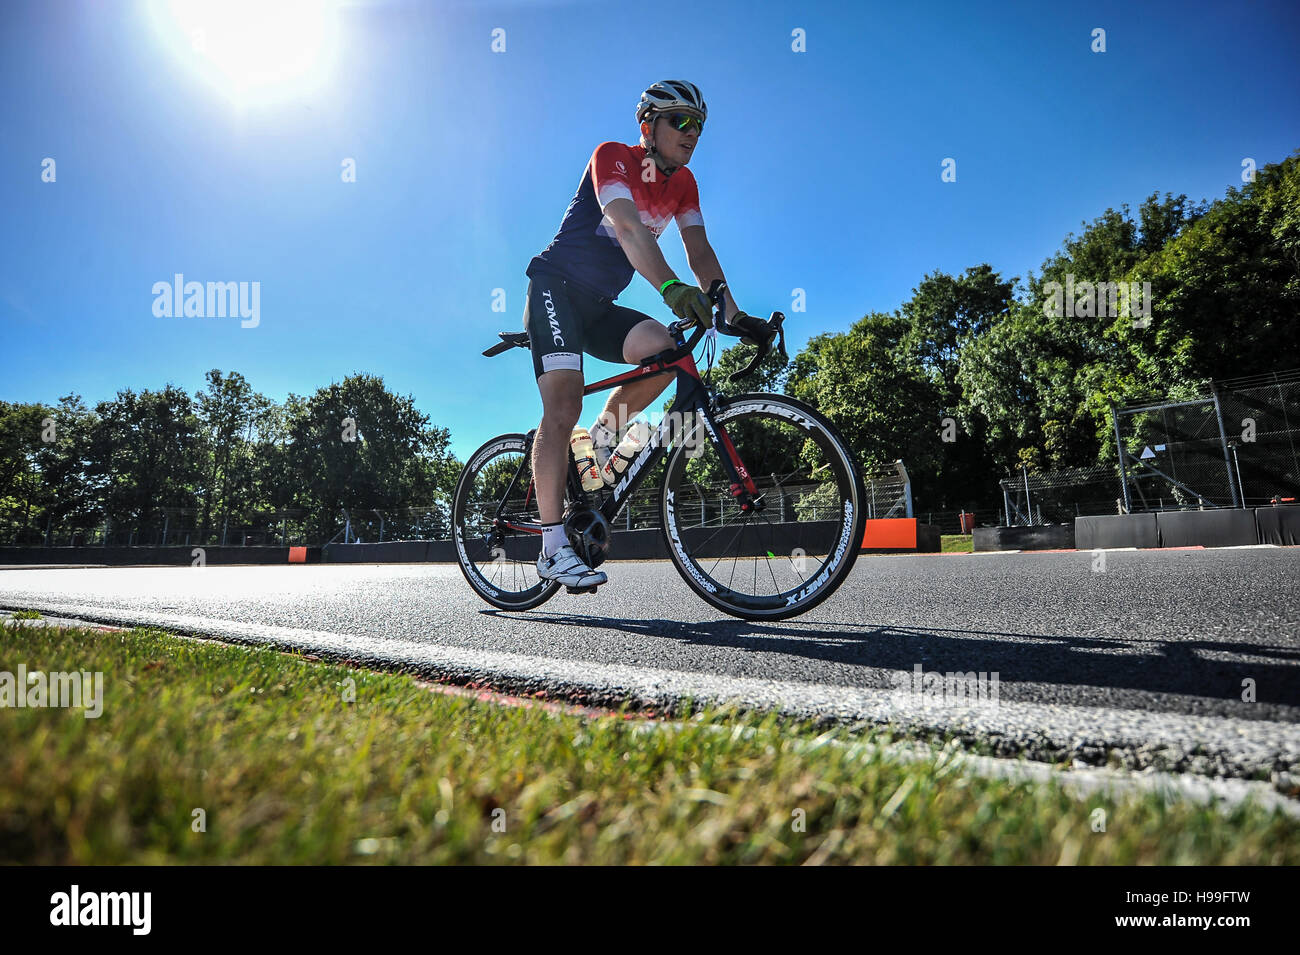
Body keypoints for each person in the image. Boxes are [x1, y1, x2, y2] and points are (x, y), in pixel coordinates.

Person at [521, 80, 758, 588]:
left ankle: (600, 446)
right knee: (563, 408)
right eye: (681, 121)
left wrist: (732, 315)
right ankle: (551, 545)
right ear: (648, 126)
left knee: (666, 350)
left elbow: (700, 252)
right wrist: (672, 290)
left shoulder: (684, 184)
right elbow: (628, 229)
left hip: (600, 307)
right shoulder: (614, 157)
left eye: (699, 124)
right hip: (555, 289)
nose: (693, 132)